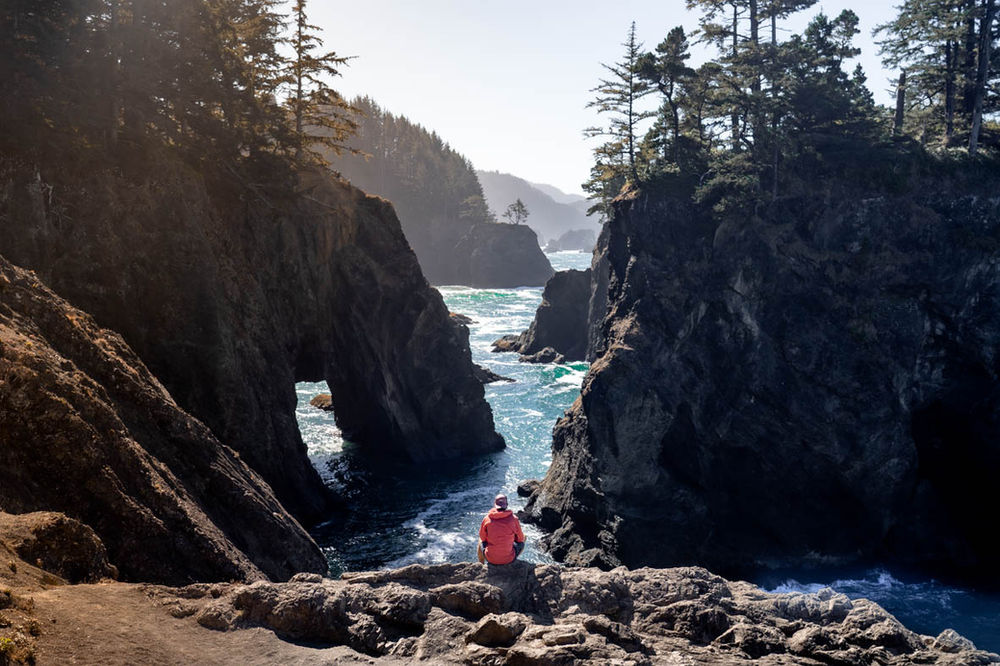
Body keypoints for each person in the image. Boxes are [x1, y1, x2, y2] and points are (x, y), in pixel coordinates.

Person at [478, 493, 525, 565]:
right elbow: (520, 539)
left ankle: (481, 564)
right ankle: (512, 559)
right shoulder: (514, 519)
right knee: (524, 538)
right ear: (506, 505)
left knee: (480, 540)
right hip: (509, 559)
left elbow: (482, 537)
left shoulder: (487, 518)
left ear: (495, 505)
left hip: (490, 558)